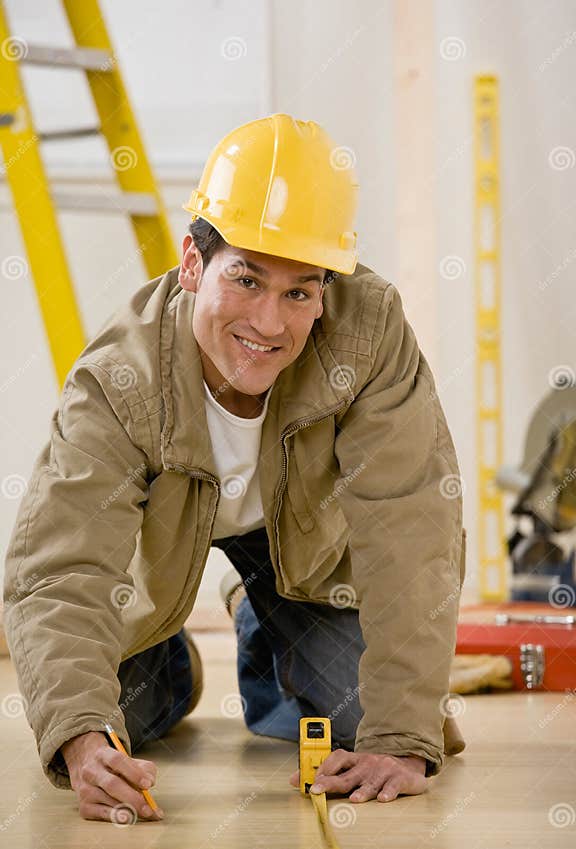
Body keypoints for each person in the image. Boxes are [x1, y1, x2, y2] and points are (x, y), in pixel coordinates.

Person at [3, 113, 466, 823]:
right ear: (192, 263)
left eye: (299, 292)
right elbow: (60, 566)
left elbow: (412, 527)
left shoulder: (369, 335)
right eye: (246, 278)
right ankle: (169, 656)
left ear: (327, 289)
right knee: (116, 713)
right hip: (157, 574)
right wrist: (81, 736)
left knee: (372, 723)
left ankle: (264, 617)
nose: (270, 323)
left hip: (308, 558)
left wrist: (402, 737)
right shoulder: (119, 379)